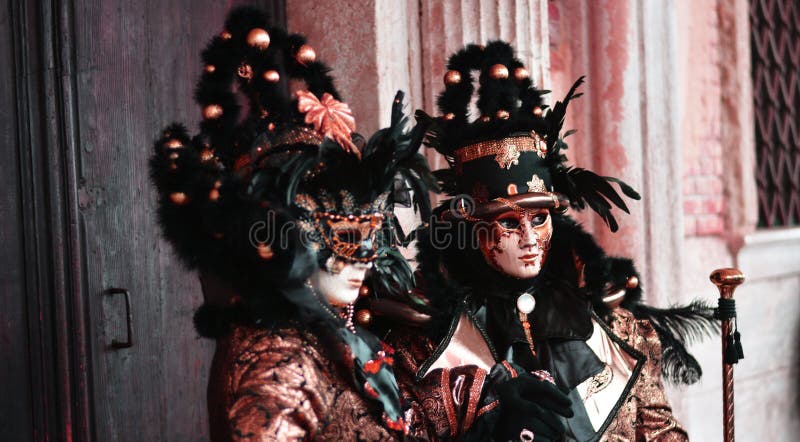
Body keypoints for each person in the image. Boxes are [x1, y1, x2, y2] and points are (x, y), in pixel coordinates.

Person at [377, 41, 717, 441]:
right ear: (471, 227)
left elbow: (664, 436)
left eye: (539, 219)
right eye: (508, 222)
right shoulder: (421, 346)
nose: (528, 239)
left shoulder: (616, 327)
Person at [149, 7, 436, 440]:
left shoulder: (337, 326)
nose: (362, 256)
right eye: (338, 231)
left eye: (369, 229)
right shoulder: (276, 363)